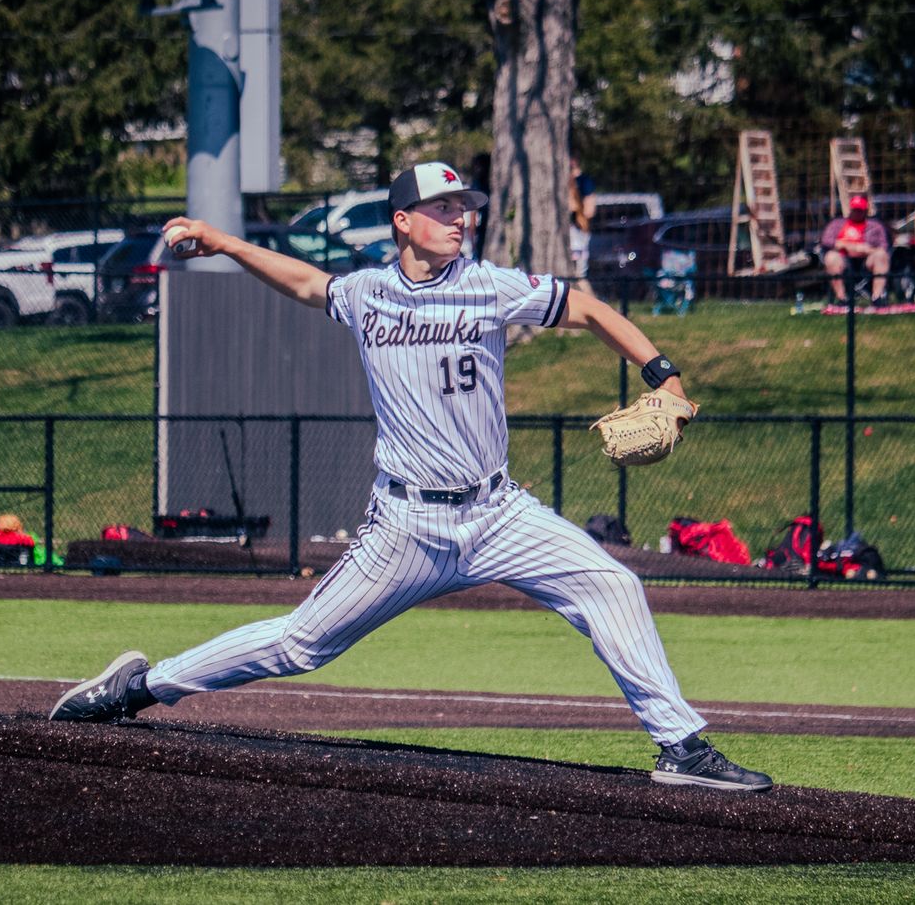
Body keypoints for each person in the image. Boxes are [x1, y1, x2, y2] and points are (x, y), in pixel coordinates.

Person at [50, 161, 773, 793]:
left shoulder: (490, 286)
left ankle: (682, 746)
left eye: (465, 207)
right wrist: (225, 240)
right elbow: (306, 281)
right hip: (408, 524)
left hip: (497, 512)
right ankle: (139, 688)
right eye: (444, 208)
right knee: (302, 642)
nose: (462, 218)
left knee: (612, 584)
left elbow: (583, 307)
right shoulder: (369, 294)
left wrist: (665, 374)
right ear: (403, 221)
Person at [820, 194, 890, 308]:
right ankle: (841, 299)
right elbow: (826, 242)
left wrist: (867, 250)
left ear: (865, 210)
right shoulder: (837, 224)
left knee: (881, 255)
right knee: (831, 256)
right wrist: (851, 247)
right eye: (855, 209)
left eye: (860, 210)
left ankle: (877, 298)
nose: (857, 212)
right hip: (843, 260)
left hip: (867, 261)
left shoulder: (875, 226)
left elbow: (884, 246)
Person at [568, 155, 598, 293]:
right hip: (575, 233)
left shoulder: (583, 181)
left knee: (580, 276)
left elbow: (589, 211)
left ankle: (595, 308)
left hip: (578, 233)